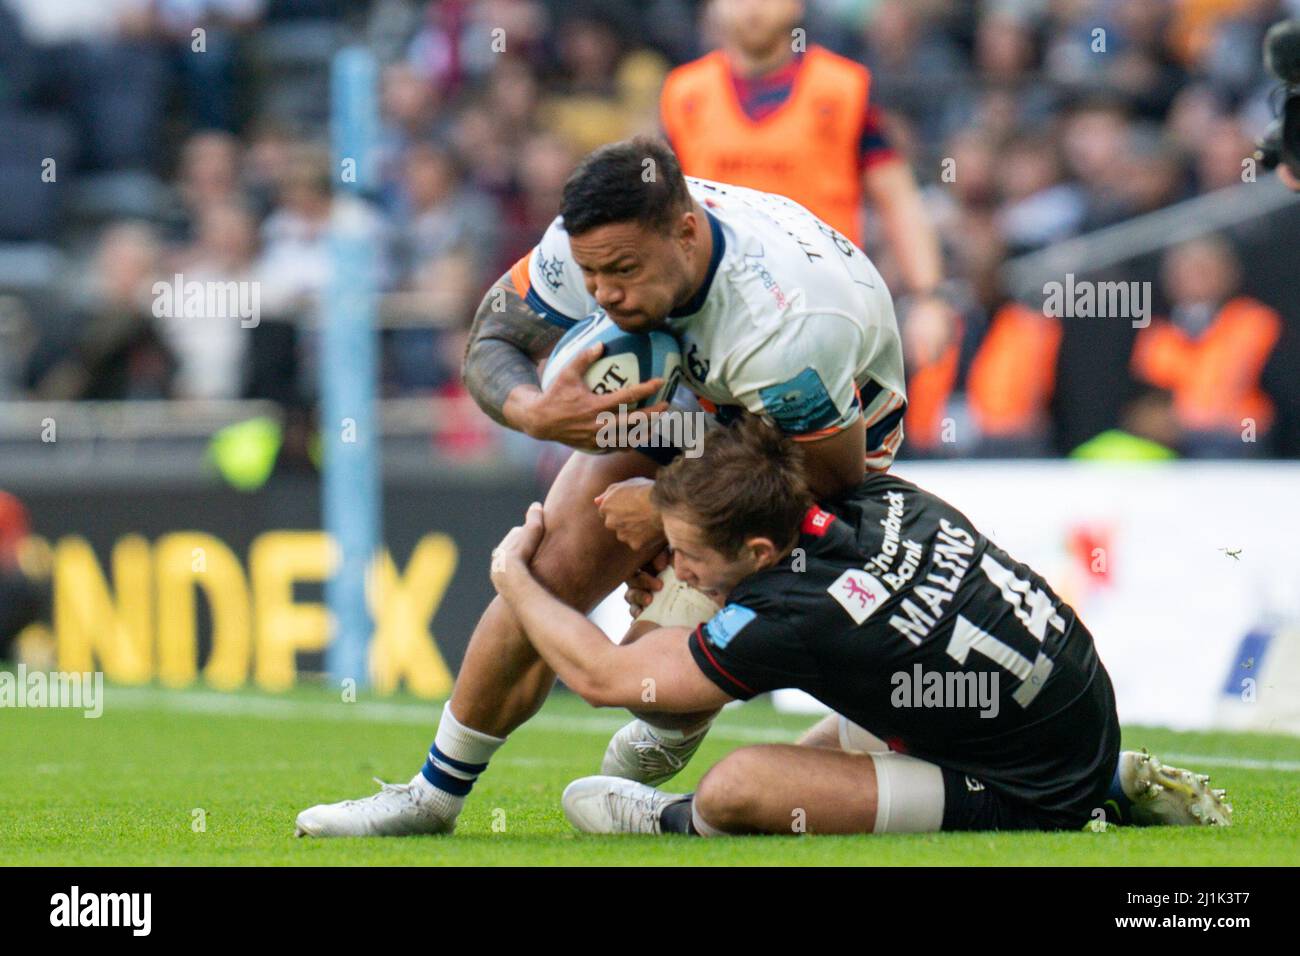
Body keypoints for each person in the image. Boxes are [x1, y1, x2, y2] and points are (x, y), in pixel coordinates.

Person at [294, 136, 907, 838]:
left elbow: (823, 477)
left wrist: (671, 518)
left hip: (804, 449)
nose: (607, 295)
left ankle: (675, 725)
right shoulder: (590, 240)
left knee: (659, 683)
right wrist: (534, 410)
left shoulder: (790, 321)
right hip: (691, 410)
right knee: (547, 565)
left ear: (685, 234)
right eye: (592, 278)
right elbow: (492, 339)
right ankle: (431, 796)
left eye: (622, 272)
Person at [490, 418, 1232, 837]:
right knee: (823, 744)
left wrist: (516, 582)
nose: (674, 571)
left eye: (682, 555)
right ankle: (1106, 774)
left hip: (1025, 780)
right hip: (1067, 701)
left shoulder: (787, 615)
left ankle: (673, 824)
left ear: (755, 551)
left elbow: (606, 680)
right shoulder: (879, 495)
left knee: (738, 786)